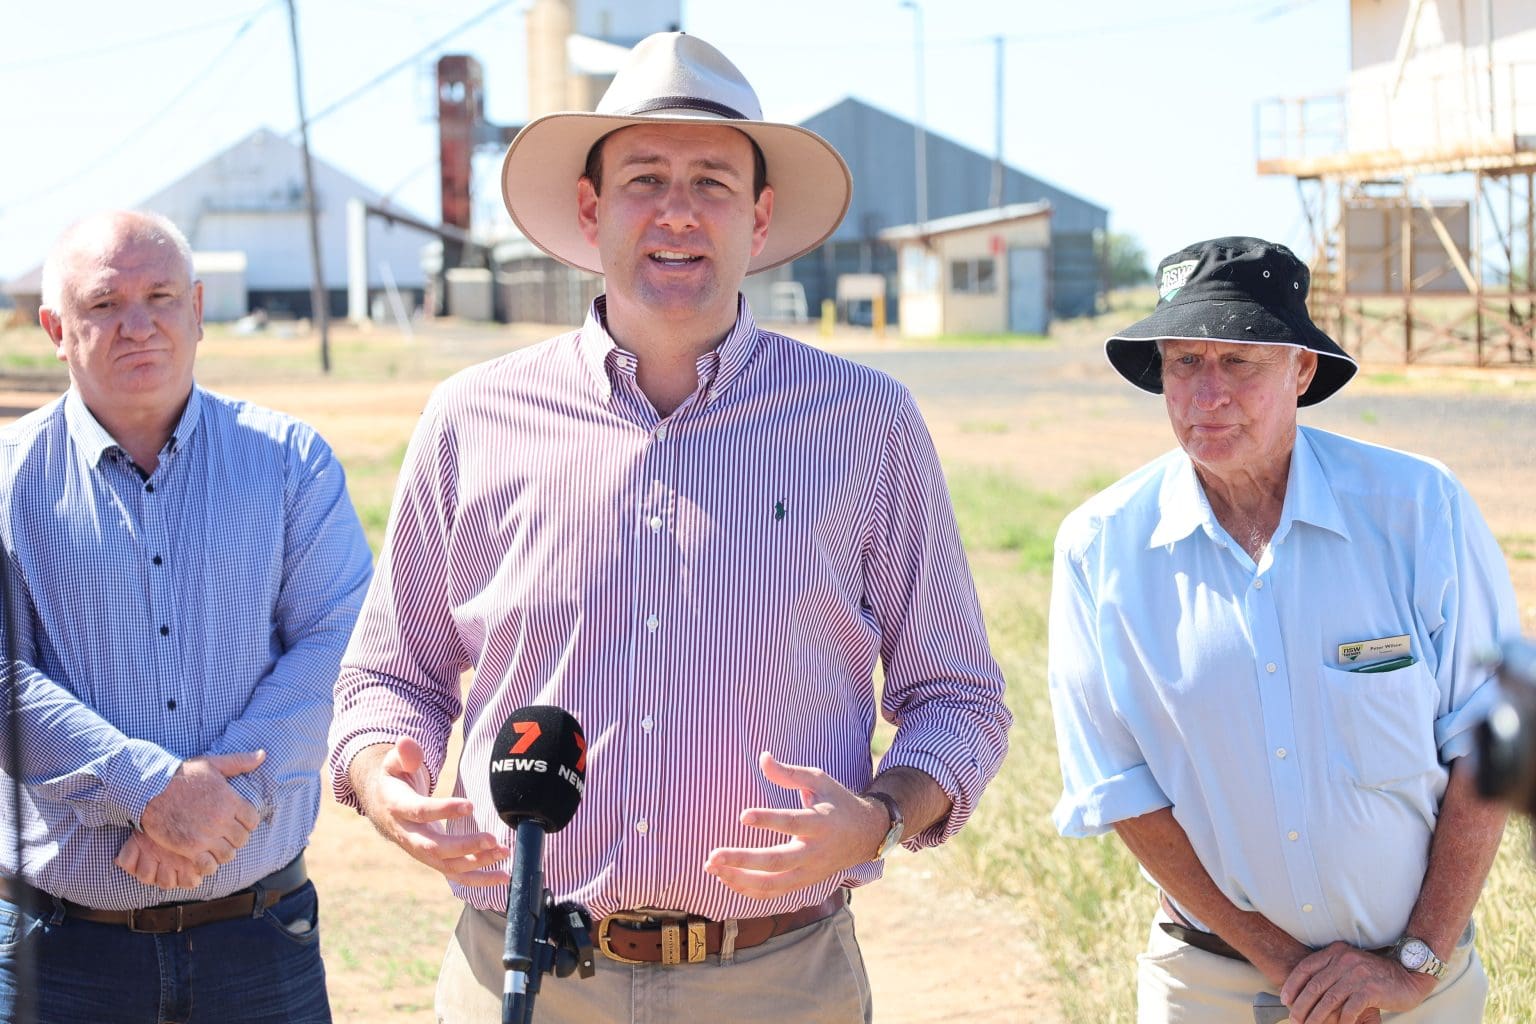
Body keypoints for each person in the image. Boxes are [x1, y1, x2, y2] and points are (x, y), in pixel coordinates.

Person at [328, 31, 1011, 1024]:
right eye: (645, 177)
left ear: (761, 218)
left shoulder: (866, 422)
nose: (679, 211)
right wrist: (383, 774)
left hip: (780, 979)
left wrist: (878, 817)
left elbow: (958, 697)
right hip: (521, 975)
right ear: (592, 208)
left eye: (713, 182)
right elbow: (390, 676)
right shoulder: (470, 419)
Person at [1048, 236, 1518, 1024]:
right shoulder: (1102, 549)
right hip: (1211, 984)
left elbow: (1491, 741)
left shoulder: (1417, 510)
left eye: (1239, 363)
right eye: (1185, 363)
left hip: (1418, 984)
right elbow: (1117, 785)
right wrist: (1287, 963)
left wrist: (1415, 962)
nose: (1207, 395)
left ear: (1301, 371)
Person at [0, 210, 373, 1022]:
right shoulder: (6, 481)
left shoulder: (289, 463)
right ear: (56, 329)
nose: (139, 325)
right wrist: (148, 789)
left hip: (259, 940)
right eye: (104, 305)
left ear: (198, 309)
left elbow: (338, 640)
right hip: (56, 955)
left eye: (162, 295)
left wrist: (219, 804)